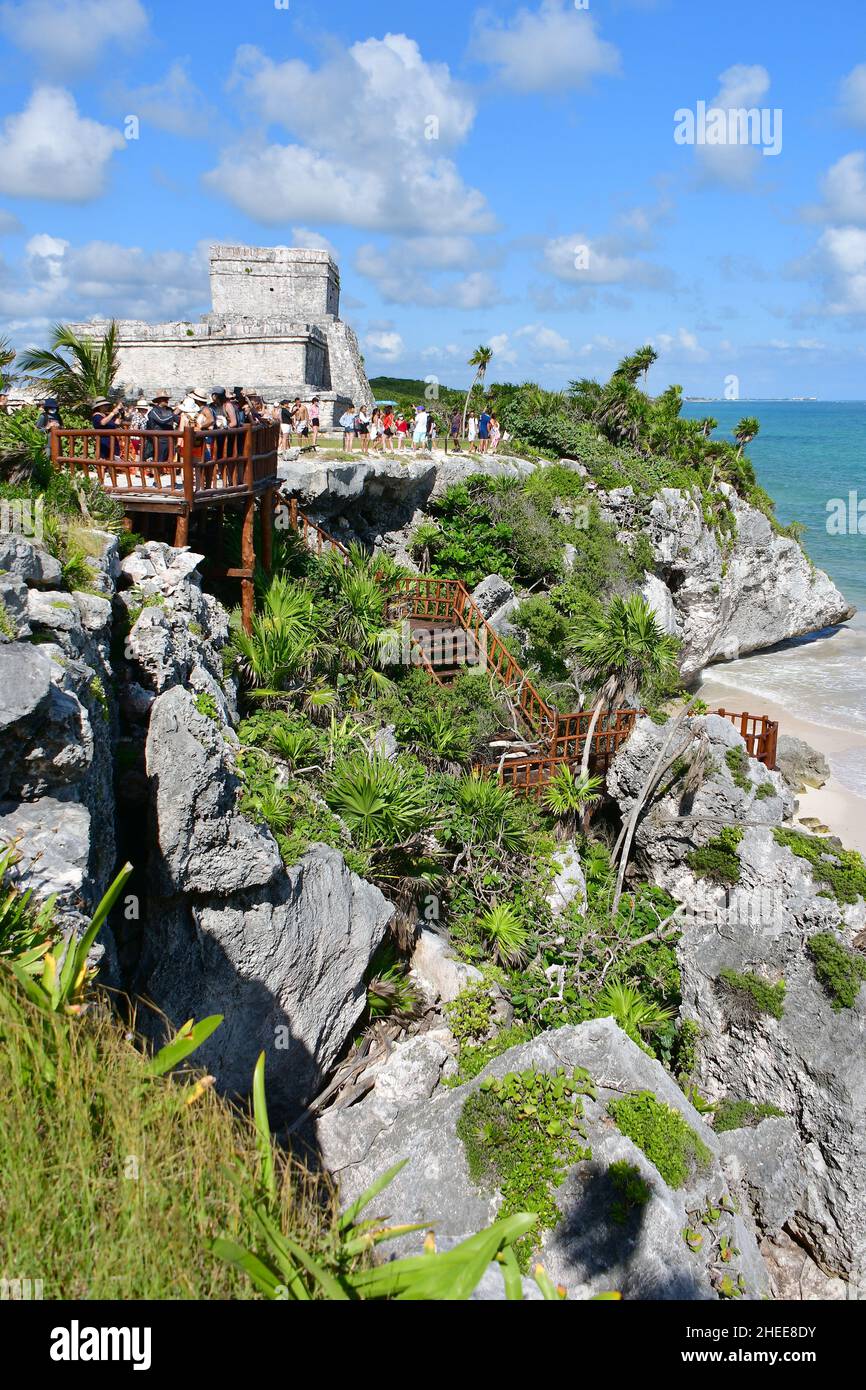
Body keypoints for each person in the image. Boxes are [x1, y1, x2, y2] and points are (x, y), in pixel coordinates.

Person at [144, 391, 178, 463]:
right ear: (159, 400)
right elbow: (161, 420)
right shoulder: (154, 411)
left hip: (170, 438)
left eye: (167, 399)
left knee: (170, 458)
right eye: (164, 399)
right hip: (159, 439)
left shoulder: (169, 410)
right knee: (159, 459)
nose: (167, 401)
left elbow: (177, 419)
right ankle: (156, 473)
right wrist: (173, 414)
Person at [91, 396, 124, 460]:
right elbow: (103, 422)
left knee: (115, 461)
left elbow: (117, 422)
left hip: (113, 442)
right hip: (104, 442)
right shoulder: (96, 416)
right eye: (105, 405)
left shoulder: (106, 415)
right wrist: (113, 413)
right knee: (103, 462)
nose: (107, 406)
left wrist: (121, 412)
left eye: (107, 405)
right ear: (100, 406)